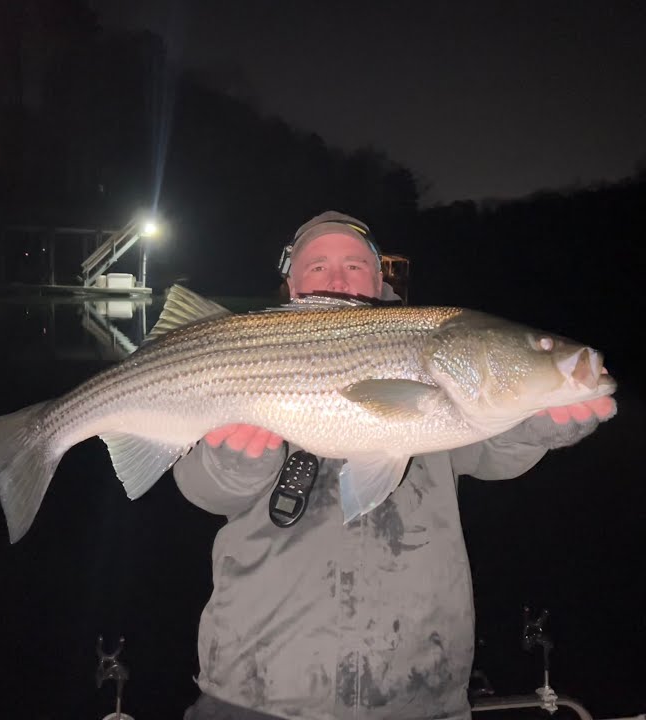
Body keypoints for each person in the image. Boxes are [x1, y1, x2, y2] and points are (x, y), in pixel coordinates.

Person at [173, 210, 616, 720]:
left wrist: (536, 426)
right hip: (256, 684)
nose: (337, 278)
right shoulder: (247, 347)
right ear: (292, 285)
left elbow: (495, 454)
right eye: (317, 267)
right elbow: (202, 489)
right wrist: (235, 464)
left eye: (355, 266)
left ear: (381, 279)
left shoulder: (427, 340)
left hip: (419, 685)